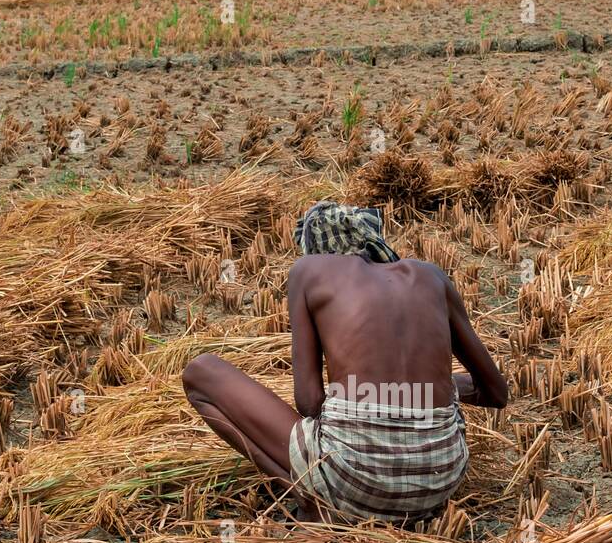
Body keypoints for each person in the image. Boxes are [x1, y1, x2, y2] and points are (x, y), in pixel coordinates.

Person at [182, 201, 508, 523]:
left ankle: (311, 499)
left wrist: (361, 400)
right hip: (440, 481)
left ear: (315, 246)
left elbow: (309, 403)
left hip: (355, 480)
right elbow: (496, 393)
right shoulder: (431, 276)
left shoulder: (310, 271)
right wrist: (419, 390)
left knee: (201, 373)